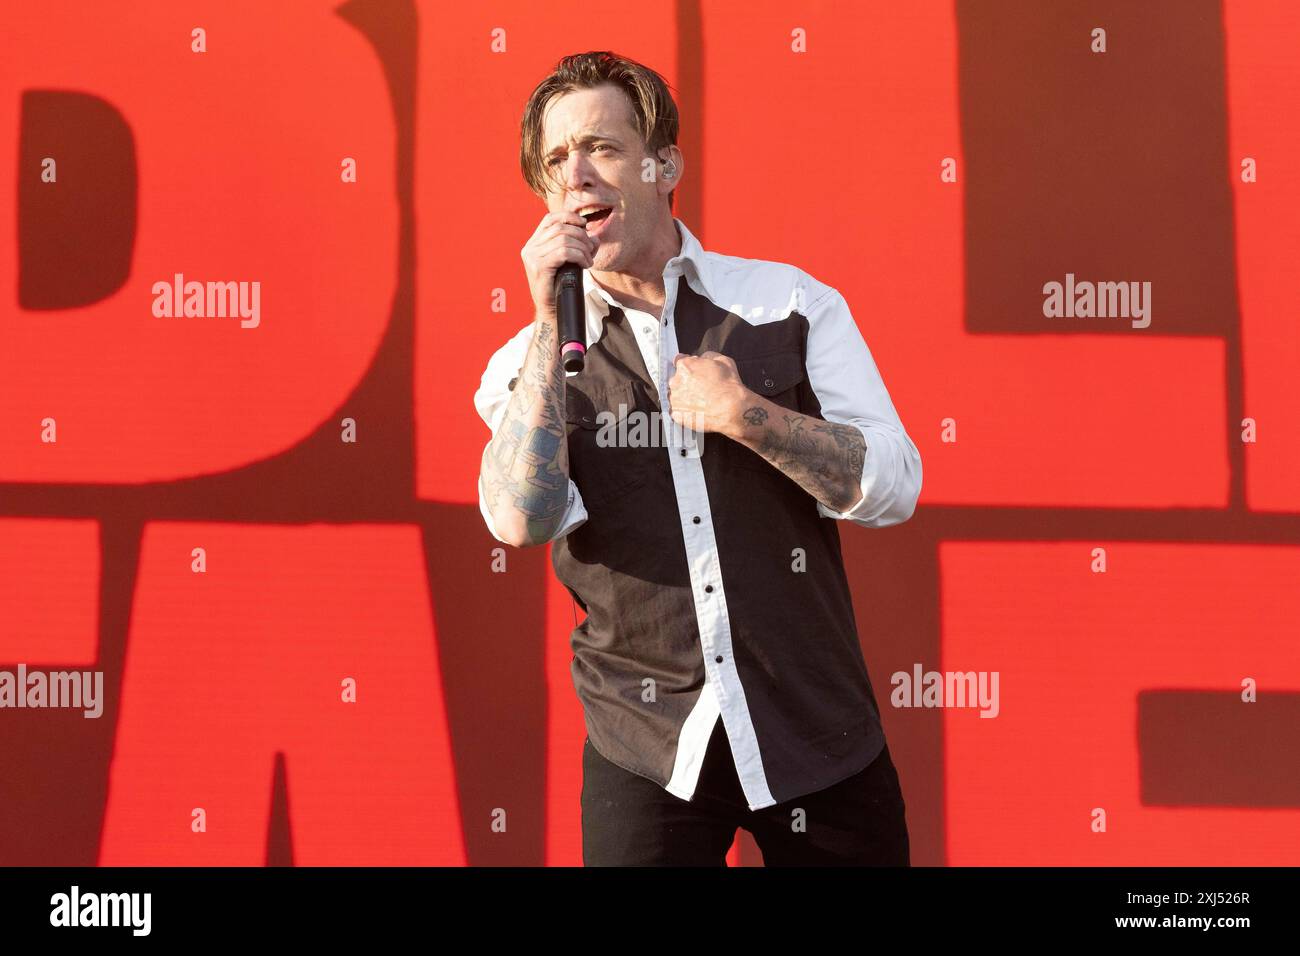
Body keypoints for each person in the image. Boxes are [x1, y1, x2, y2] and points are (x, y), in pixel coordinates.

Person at [474, 51, 923, 866]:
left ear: (664, 163)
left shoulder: (786, 304)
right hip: (646, 744)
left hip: (814, 730)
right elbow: (517, 520)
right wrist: (548, 325)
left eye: (602, 148)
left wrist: (751, 416)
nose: (576, 175)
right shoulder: (526, 361)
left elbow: (894, 483)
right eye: (554, 161)